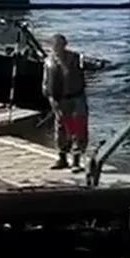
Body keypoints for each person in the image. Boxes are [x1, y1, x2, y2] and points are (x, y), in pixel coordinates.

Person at [42, 34, 88, 170]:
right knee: (61, 128)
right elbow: (45, 84)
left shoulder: (75, 59)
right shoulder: (48, 61)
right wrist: (51, 100)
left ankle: (76, 161)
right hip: (59, 100)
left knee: (77, 128)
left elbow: (85, 71)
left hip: (75, 98)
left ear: (65, 44)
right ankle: (62, 158)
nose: (58, 47)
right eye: (55, 45)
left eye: (61, 44)